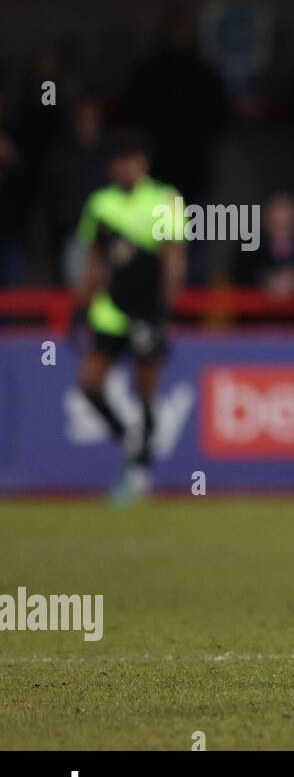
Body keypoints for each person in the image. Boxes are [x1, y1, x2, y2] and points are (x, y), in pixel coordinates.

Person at [72, 132, 186, 502]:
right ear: (112, 167)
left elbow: (173, 257)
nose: (128, 168)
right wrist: (80, 305)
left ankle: (140, 469)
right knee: (89, 384)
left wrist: (165, 310)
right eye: (122, 161)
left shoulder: (164, 199)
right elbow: (93, 259)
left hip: (147, 308)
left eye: (134, 160)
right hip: (110, 310)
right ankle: (129, 440)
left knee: (146, 388)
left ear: (144, 165)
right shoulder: (100, 204)